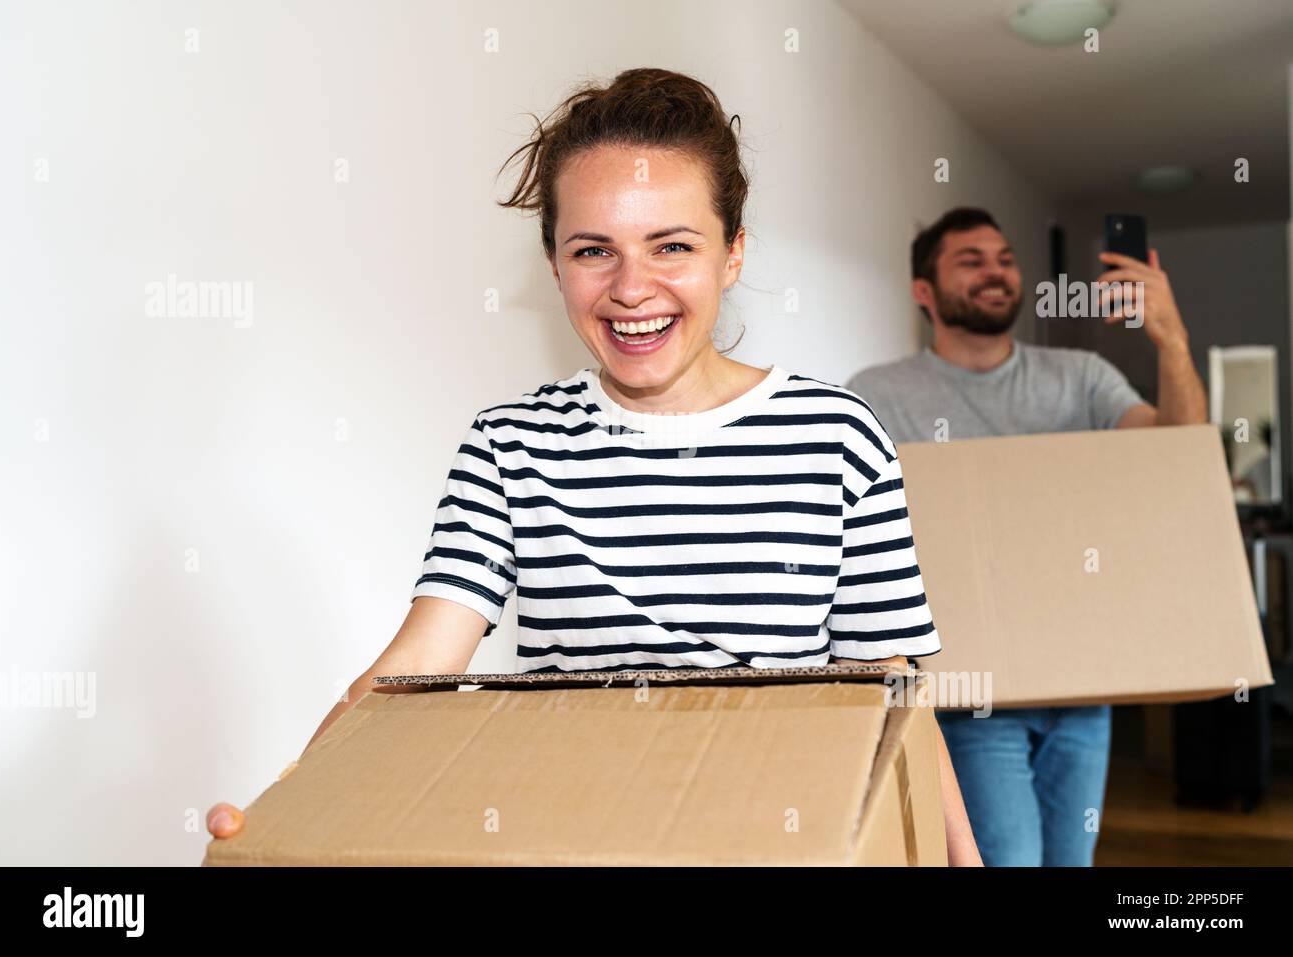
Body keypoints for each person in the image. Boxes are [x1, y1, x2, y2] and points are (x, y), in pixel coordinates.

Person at [207, 68, 982, 865]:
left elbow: (894, 696)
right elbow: (412, 670)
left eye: (672, 245)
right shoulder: (509, 446)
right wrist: (286, 815)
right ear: (554, 264)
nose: (631, 288)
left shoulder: (838, 435)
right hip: (579, 841)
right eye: (593, 251)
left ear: (733, 254)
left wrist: (963, 858)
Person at [847, 206, 1207, 866]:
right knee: (1009, 859)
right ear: (923, 291)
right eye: (971, 260)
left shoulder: (1082, 377)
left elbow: (1180, 460)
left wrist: (1173, 342)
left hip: (1081, 682)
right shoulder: (876, 395)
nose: (996, 272)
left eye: (1006, 259)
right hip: (973, 692)